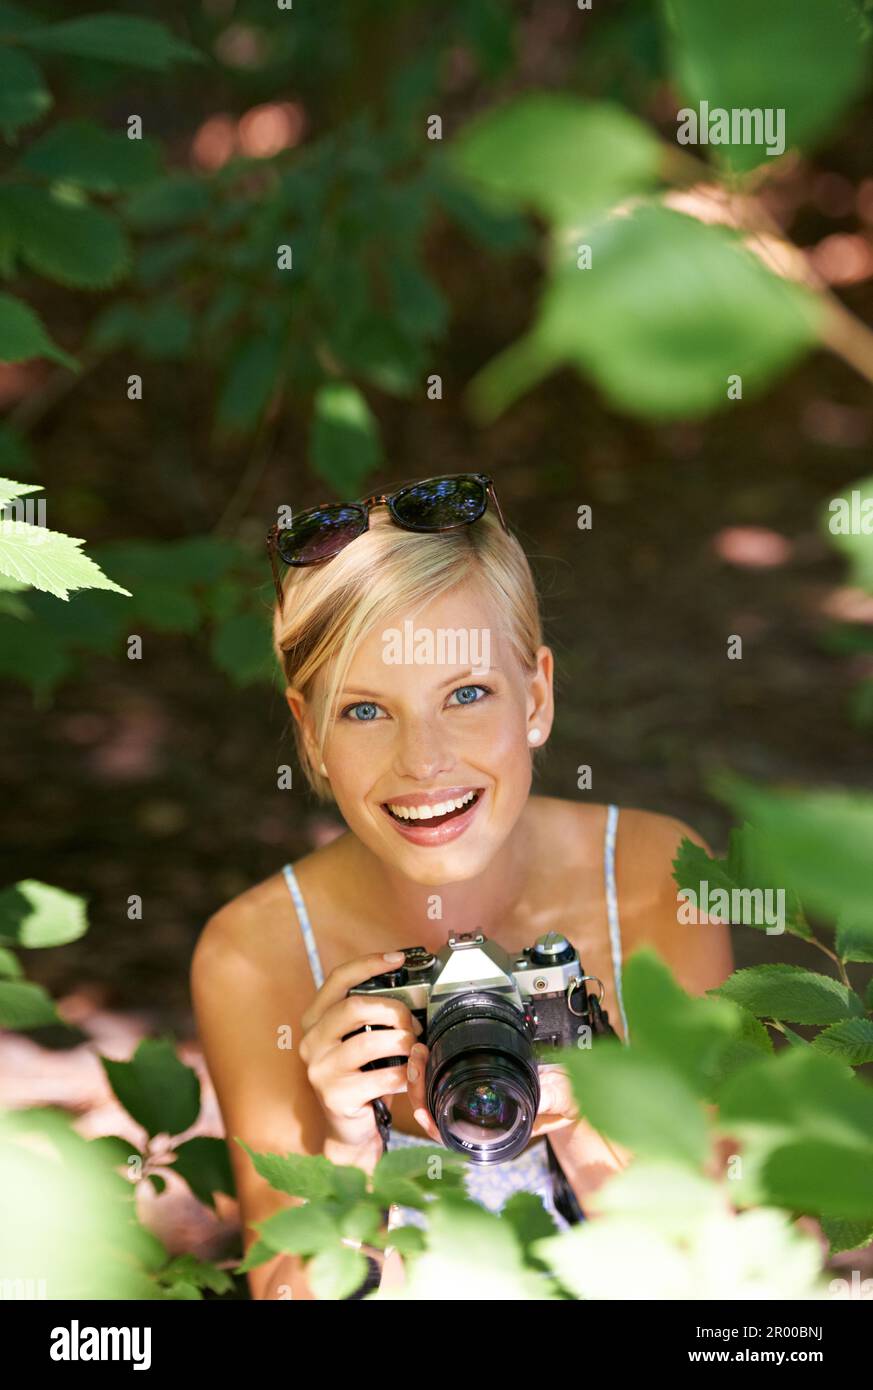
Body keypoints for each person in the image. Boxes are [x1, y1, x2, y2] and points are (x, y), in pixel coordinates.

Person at [191, 473, 734, 1300]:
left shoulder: (654, 881)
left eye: (467, 694)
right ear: (308, 731)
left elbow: (728, 1289)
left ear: (536, 698)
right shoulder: (255, 953)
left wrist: (585, 1122)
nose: (423, 762)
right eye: (365, 711)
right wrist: (346, 1153)